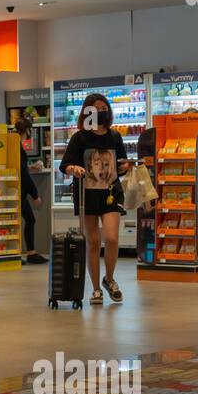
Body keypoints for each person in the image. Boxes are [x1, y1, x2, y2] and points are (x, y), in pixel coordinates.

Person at [59, 93, 129, 305]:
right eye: (96, 108)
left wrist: (125, 167)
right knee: (93, 243)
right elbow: (65, 165)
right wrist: (74, 168)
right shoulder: (79, 138)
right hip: (86, 195)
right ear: (87, 111)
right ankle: (96, 288)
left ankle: (109, 279)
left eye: (103, 108)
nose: (100, 111)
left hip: (110, 193)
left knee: (112, 238)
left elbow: (121, 166)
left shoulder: (115, 137)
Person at [14, 119, 46, 264]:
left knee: (28, 219)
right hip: (17, 190)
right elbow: (22, 173)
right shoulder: (17, 145)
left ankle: (28, 253)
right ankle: (20, 254)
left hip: (14, 188)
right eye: (30, 130)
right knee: (26, 219)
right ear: (27, 130)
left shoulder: (13, 143)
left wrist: (30, 167)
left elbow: (20, 167)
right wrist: (35, 194)